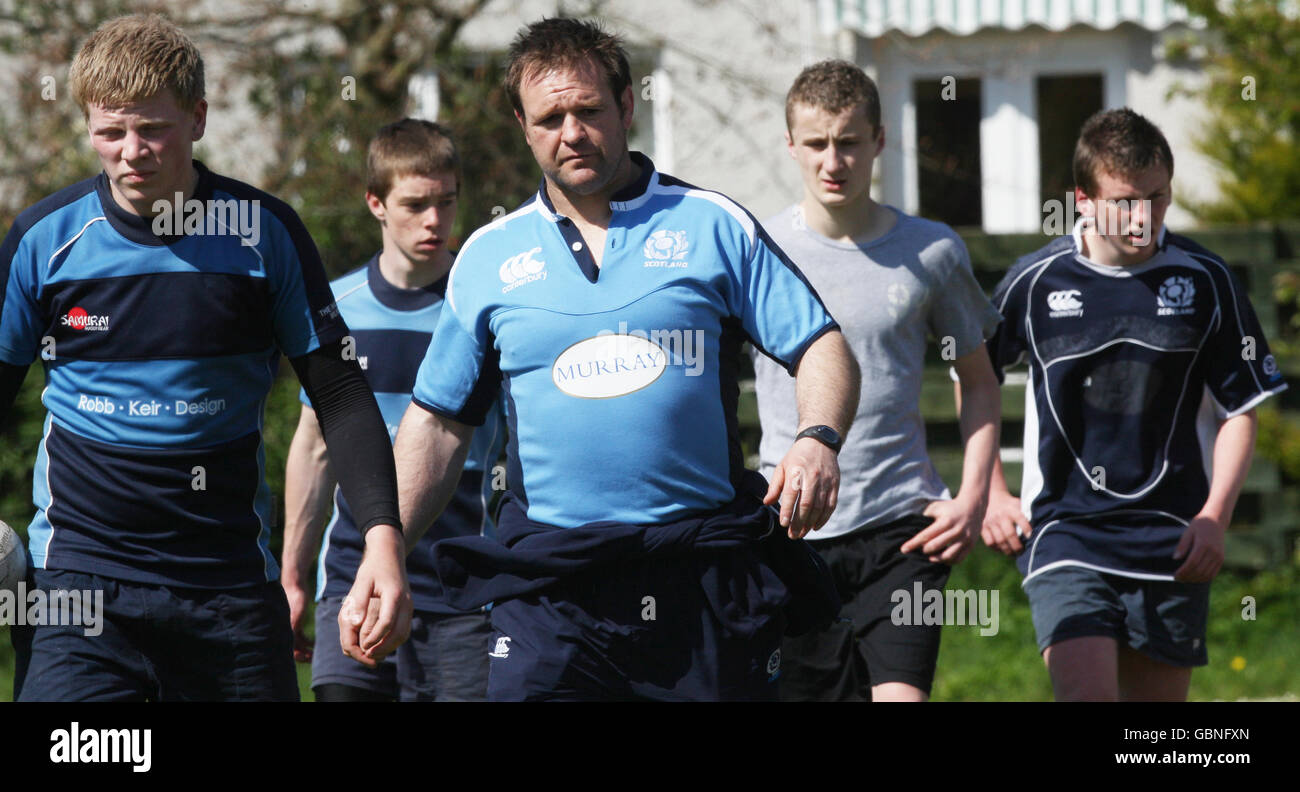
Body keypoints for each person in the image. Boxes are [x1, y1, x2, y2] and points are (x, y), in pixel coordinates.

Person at [393, 17, 860, 701]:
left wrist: (819, 440)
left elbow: (822, 344)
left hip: (697, 573)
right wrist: (383, 544)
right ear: (522, 123)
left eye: (589, 110)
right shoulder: (488, 258)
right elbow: (436, 424)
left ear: (628, 106)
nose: (572, 132)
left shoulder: (711, 224)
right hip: (550, 586)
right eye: (550, 117)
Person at [0, 14, 410, 701]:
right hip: (79, 582)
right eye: (110, 131)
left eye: (153, 128)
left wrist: (383, 539)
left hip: (227, 591)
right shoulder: (44, 239)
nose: (132, 151)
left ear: (198, 118)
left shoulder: (263, 233)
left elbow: (339, 392)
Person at [980, 107, 1287, 701]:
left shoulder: (1206, 280)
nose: (1143, 217)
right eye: (1124, 201)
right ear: (1084, 200)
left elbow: (1240, 409)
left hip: (1173, 537)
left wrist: (1214, 518)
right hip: (1066, 532)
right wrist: (990, 491)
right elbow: (977, 379)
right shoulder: (1035, 282)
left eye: (1158, 198)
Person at [752, 60, 1002, 702]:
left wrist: (972, 498)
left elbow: (977, 380)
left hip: (901, 526)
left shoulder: (933, 252)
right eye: (815, 144)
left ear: (879, 142)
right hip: (792, 526)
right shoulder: (756, 251)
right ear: (791, 147)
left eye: (849, 141)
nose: (832, 161)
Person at [281, 119, 506, 702]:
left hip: (463, 591)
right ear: (376, 203)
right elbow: (313, 446)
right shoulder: (338, 308)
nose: (434, 221)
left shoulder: (486, 303)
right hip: (354, 583)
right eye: (415, 204)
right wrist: (291, 575)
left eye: (447, 202)